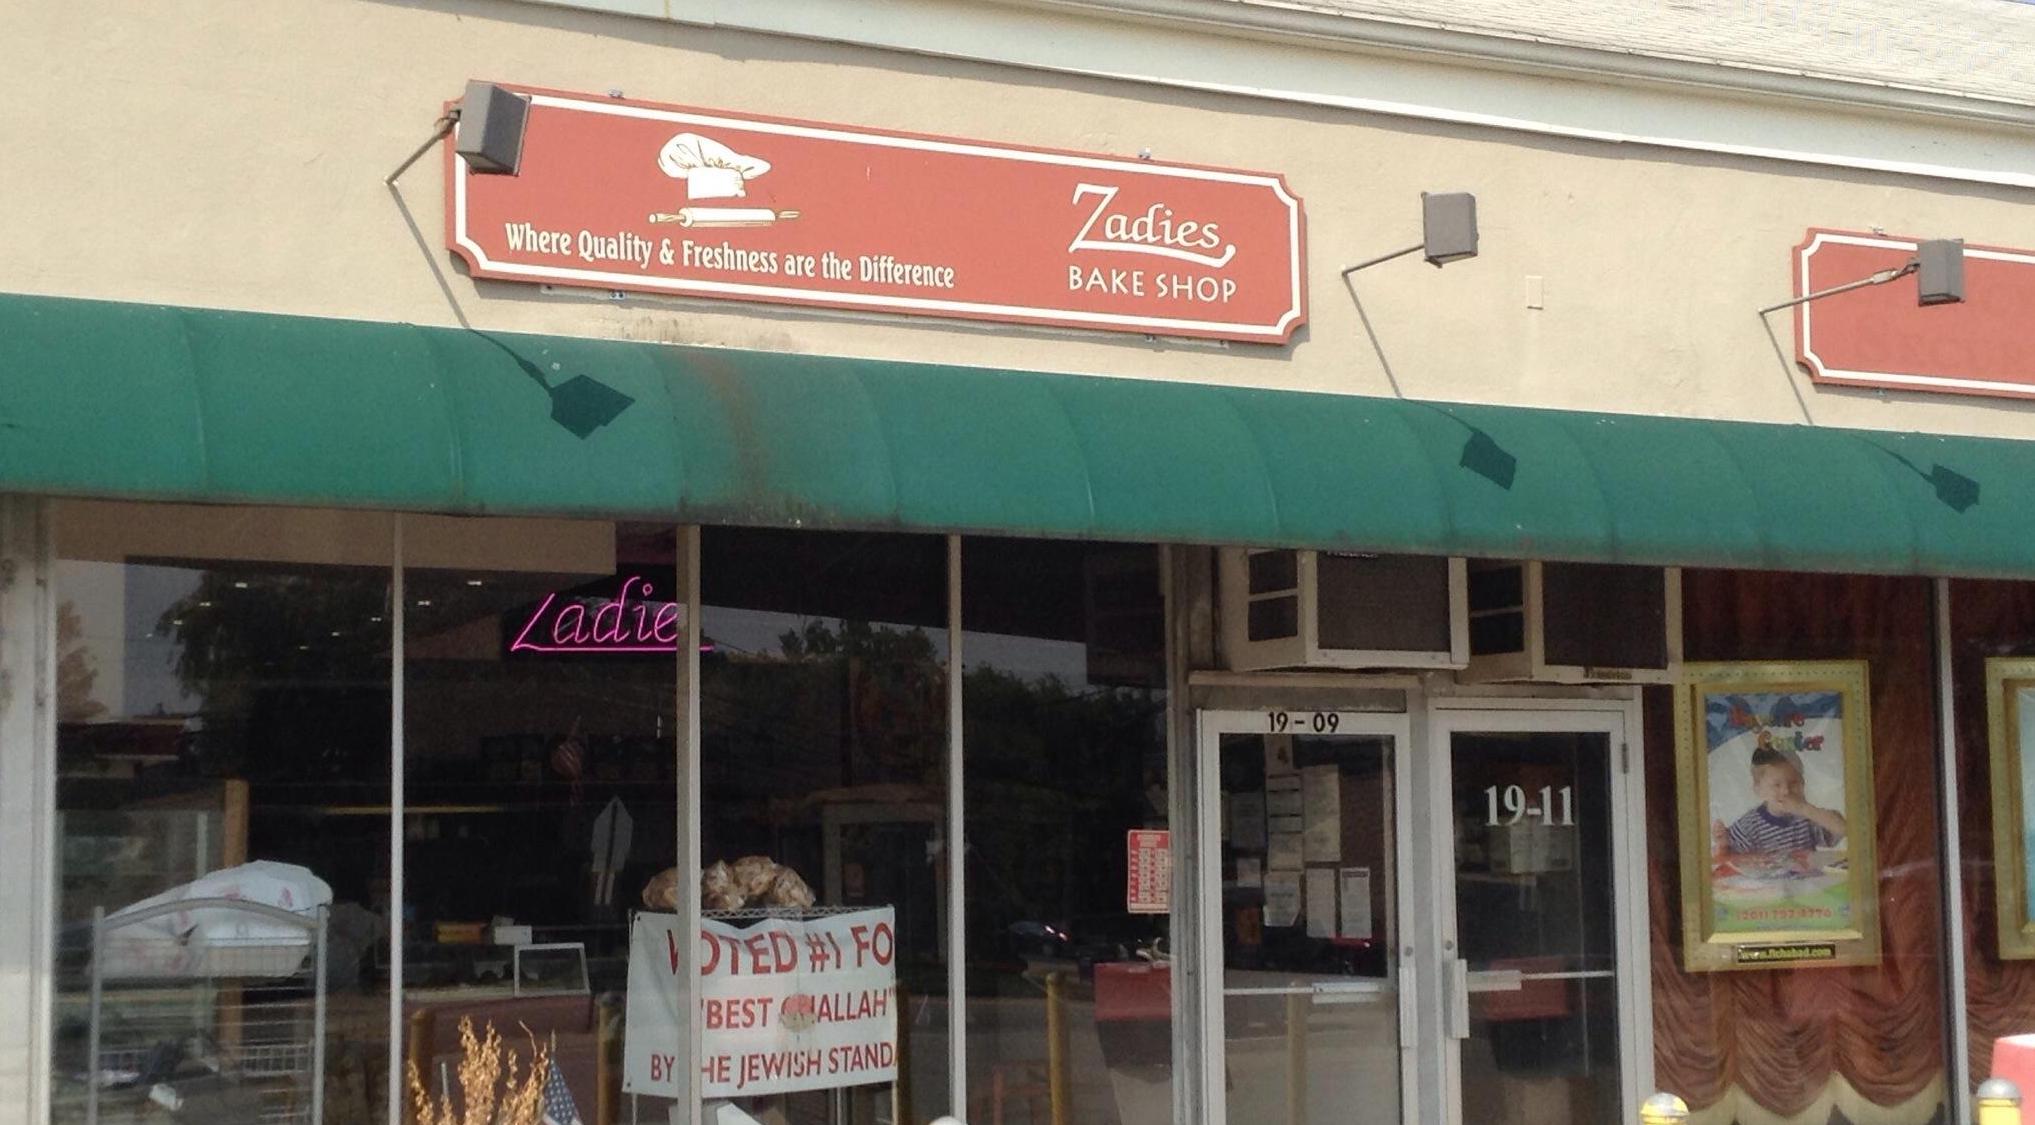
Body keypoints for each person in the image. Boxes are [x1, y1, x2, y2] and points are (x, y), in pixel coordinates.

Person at [1711, 742, 1846, 861]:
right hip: (1765, 887)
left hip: (1808, 885)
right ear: (1758, 790)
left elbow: (1843, 828)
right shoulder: (1750, 824)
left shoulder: (1809, 818)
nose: (1786, 791)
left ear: (1803, 784)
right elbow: (1728, 859)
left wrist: (1805, 809)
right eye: (1776, 785)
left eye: (1793, 783)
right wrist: (1722, 844)